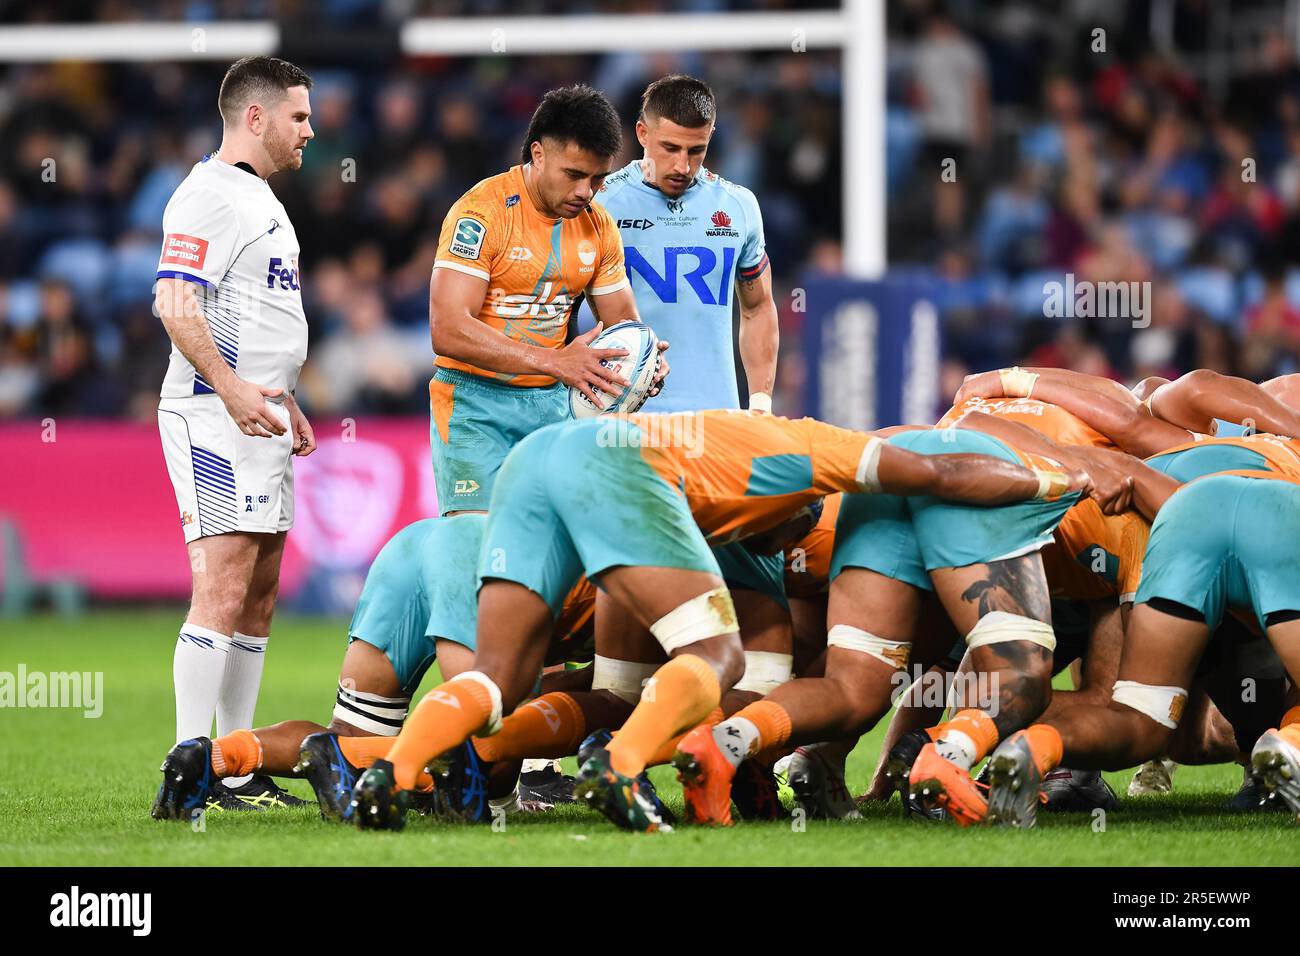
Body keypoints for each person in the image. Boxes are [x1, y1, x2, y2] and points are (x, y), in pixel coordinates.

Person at [346, 409, 1091, 832]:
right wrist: (1050, 477)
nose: (780, 546)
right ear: (808, 505)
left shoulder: (738, 469)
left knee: (500, 677)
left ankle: (392, 771)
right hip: (614, 464)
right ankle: (624, 765)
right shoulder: (819, 453)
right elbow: (937, 471)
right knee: (715, 654)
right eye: (790, 533)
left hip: (535, 461)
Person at [153, 55, 317, 809]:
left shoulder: (258, 197)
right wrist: (230, 389)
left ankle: (237, 766)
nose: (310, 131)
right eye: (298, 117)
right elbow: (175, 303)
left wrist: (287, 399)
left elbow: (260, 316)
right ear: (255, 118)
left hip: (260, 414)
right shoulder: (209, 196)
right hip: (212, 416)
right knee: (221, 586)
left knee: (258, 592)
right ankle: (187, 771)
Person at [426, 83, 666, 517]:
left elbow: (623, 326)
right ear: (537, 154)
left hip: (555, 406)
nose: (586, 192)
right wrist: (552, 360)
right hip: (474, 408)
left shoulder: (599, 226)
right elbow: (447, 330)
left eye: (597, 179)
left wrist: (644, 359)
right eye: (574, 175)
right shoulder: (482, 213)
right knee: (477, 547)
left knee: (558, 557)